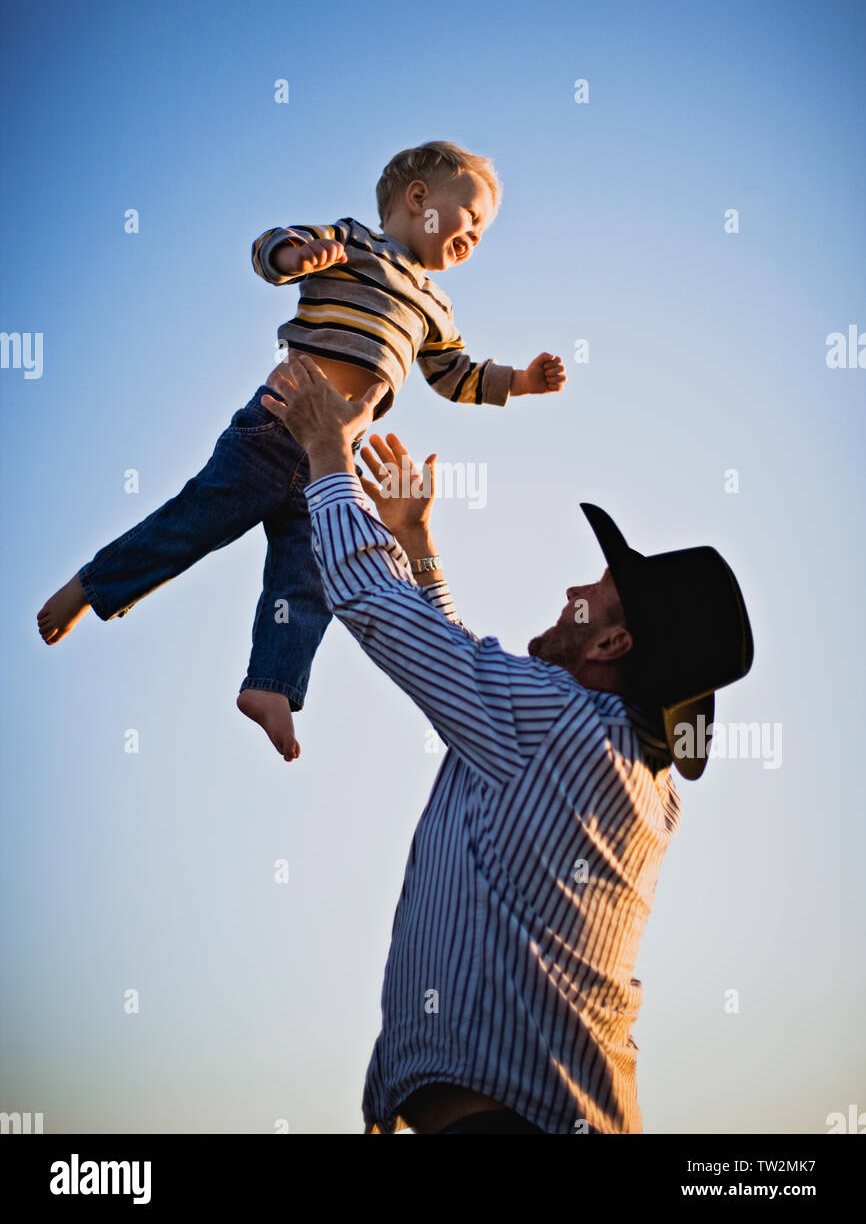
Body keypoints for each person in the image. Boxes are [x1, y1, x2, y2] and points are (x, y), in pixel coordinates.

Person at [259, 350, 755, 1135]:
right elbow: (463, 672)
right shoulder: (618, 761)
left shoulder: (553, 723)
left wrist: (327, 455)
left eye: (596, 594)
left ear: (613, 645)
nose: (573, 593)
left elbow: (378, 608)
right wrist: (419, 542)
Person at [36, 141, 566, 761]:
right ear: (419, 199)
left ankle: (271, 686)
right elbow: (268, 248)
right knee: (196, 522)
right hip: (274, 428)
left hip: (327, 460)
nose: (475, 235)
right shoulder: (352, 242)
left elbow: (456, 375)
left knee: (310, 573)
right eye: (470, 217)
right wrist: (298, 254)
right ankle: (93, 586)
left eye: (484, 231)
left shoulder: (436, 309)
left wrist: (522, 381)